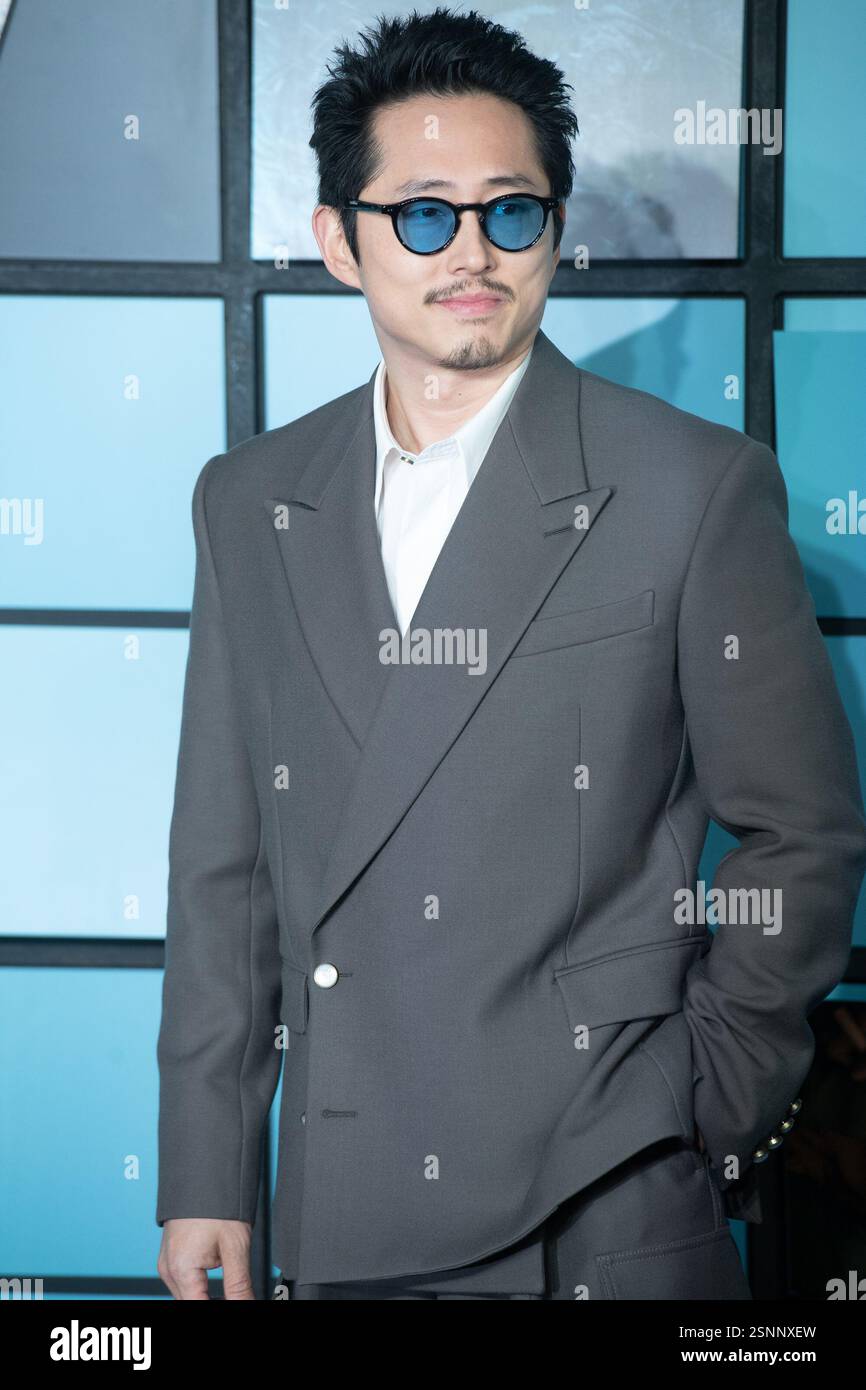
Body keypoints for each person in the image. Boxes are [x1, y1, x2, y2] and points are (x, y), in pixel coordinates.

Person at [155, 7, 866, 1300]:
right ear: (338, 240)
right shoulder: (246, 495)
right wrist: (207, 1165)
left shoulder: (690, 487)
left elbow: (800, 833)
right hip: (344, 1186)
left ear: (554, 227)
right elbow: (225, 856)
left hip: (598, 1186)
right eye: (422, 213)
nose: (470, 251)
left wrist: (698, 1098)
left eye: (510, 211)